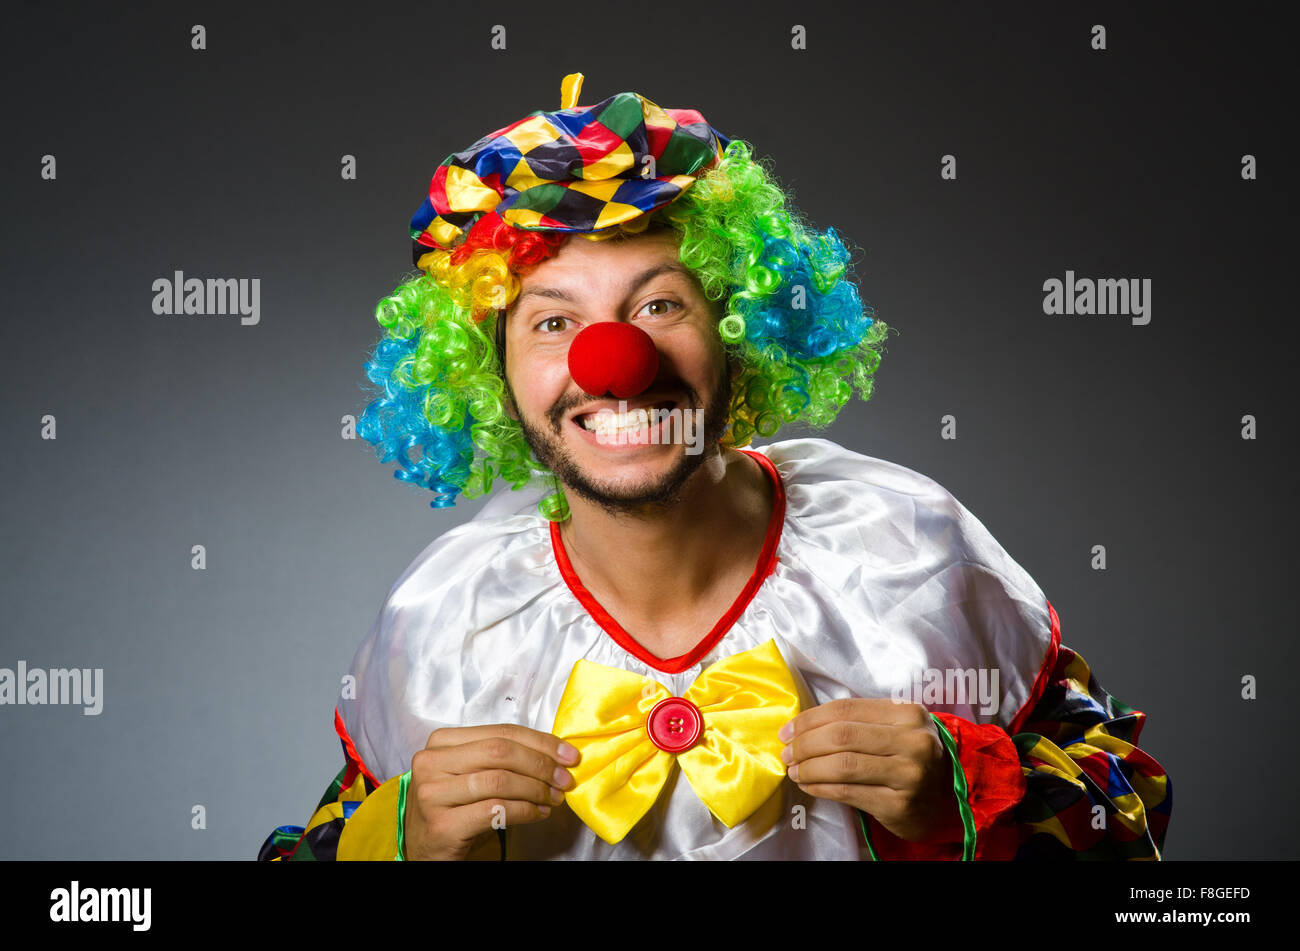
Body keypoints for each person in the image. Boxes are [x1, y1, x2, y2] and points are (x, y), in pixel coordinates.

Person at [258, 74, 1170, 861]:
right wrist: (401, 835)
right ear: (488, 372)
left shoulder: (906, 547)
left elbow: (1132, 823)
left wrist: (962, 793)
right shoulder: (448, 619)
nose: (612, 360)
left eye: (659, 303)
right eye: (551, 320)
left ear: (745, 335)